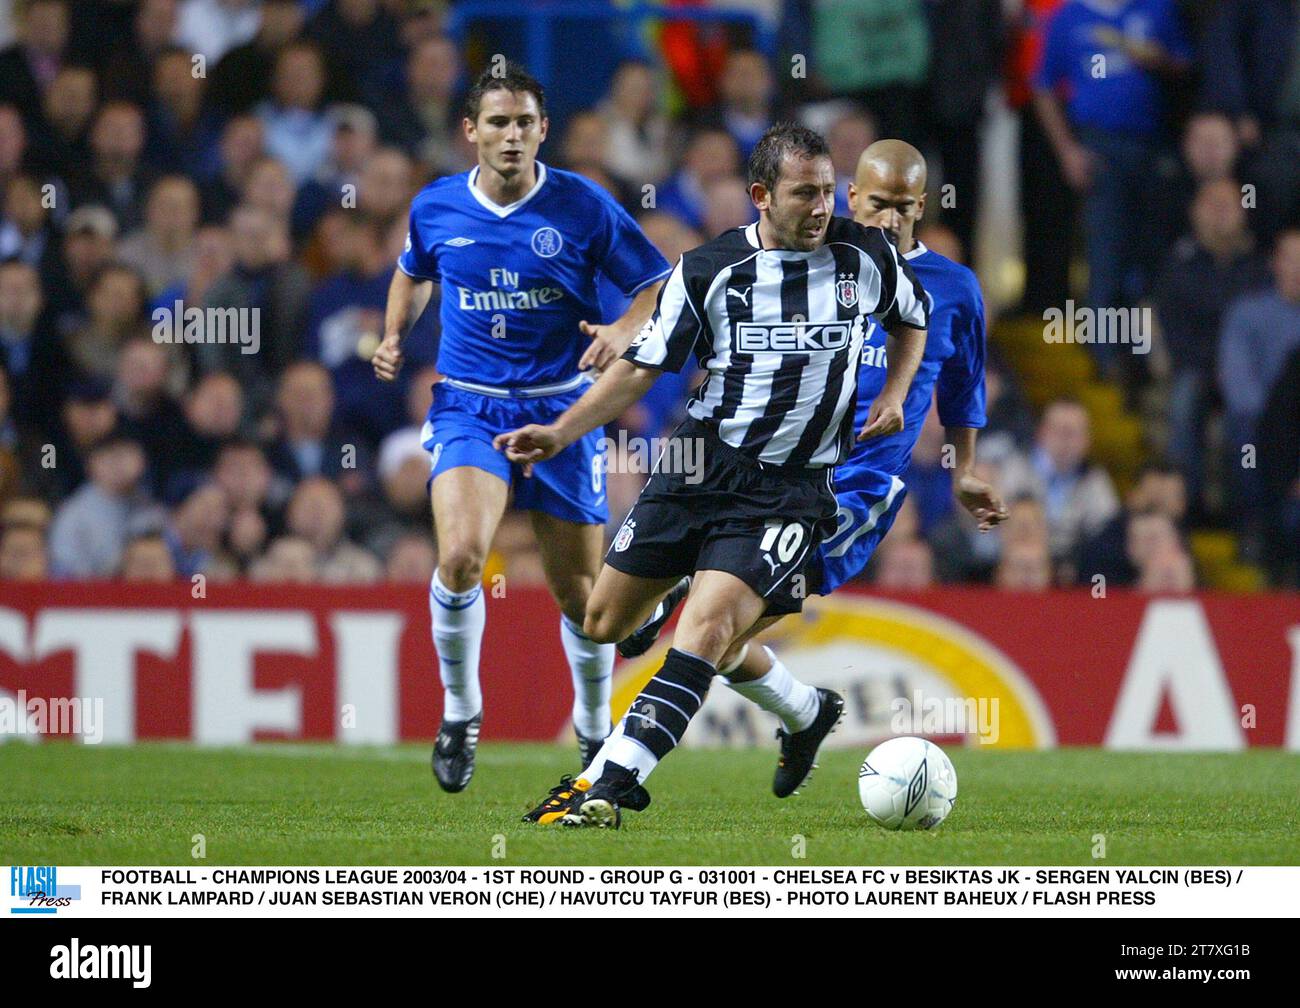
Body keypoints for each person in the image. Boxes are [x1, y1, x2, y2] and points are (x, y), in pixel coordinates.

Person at [532, 139, 1002, 824]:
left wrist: (956, 461)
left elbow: (936, 352)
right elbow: (648, 350)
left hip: (826, 489)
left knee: (712, 628)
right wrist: (565, 425)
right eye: (872, 204)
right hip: (705, 467)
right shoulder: (717, 267)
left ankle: (605, 781)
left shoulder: (896, 270)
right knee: (608, 622)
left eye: (904, 208)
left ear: (921, 207)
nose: (888, 220)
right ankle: (807, 709)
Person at [369, 62, 670, 793]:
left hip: (563, 410)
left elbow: (655, 286)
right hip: (470, 404)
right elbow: (412, 271)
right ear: (470, 131)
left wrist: (623, 330)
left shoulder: (583, 206)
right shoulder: (437, 206)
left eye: (524, 123)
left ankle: (595, 730)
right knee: (463, 557)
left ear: (543, 130)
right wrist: (391, 333)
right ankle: (461, 710)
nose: (511, 136)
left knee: (584, 600)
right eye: (497, 123)